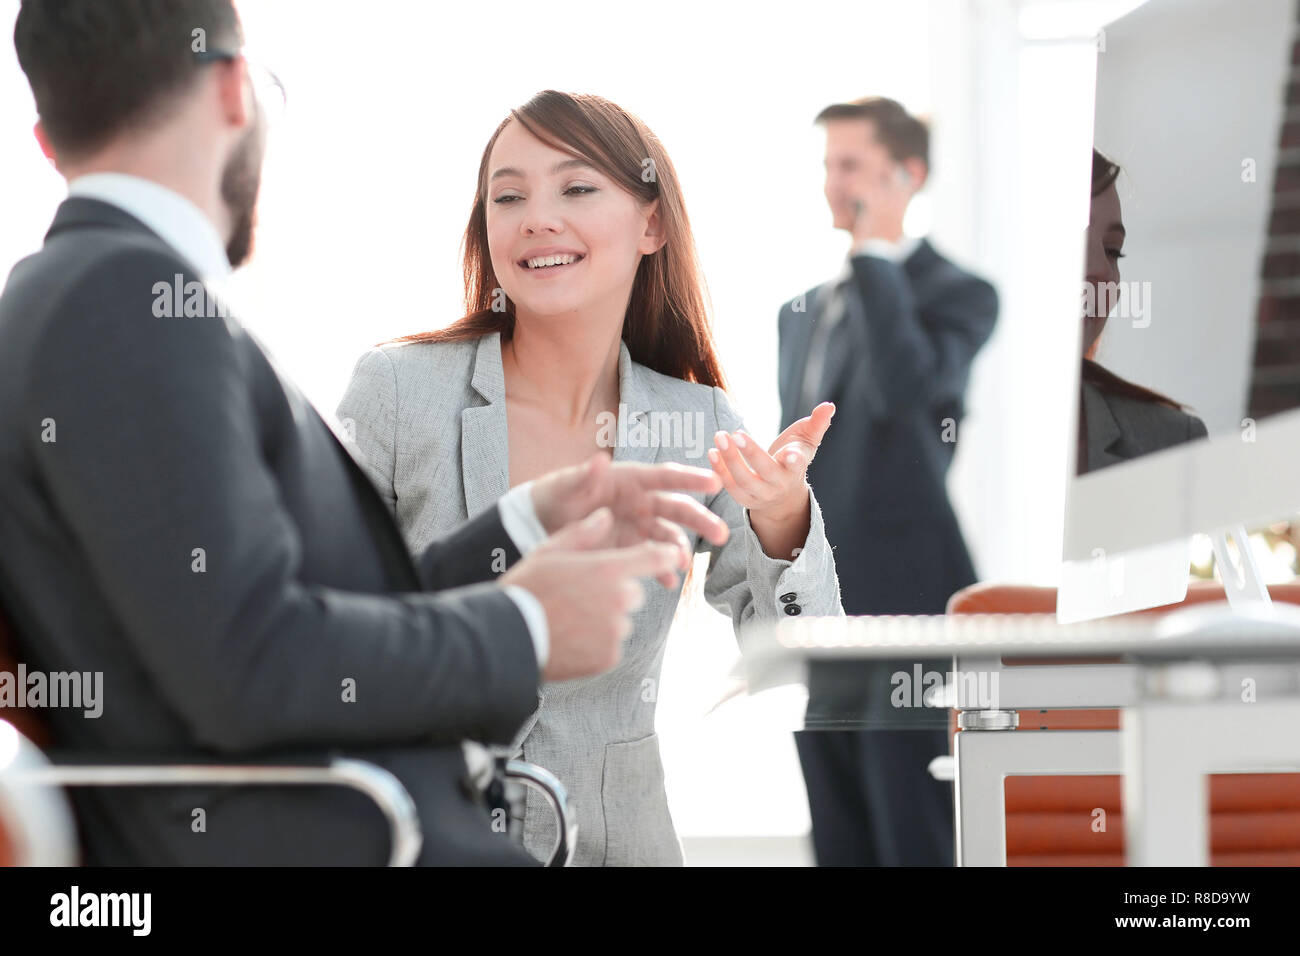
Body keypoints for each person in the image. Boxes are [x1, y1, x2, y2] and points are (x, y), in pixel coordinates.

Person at [0, 0, 730, 866]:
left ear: (48, 139)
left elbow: (271, 623)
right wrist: (526, 628)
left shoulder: (88, 295)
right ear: (235, 90)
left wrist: (521, 527)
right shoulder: (128, 305)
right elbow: (250, 663)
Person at [338, 89, 844, 866]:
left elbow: (804, 658)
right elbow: (328, 624)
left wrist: (783, 519)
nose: (537, 217)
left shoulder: (700, 422)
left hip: (619, 847)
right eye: (508, 196)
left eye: (576, 188)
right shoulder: (399, 390)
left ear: (652, 225)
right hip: (420, 839)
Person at [778, 96, 998, 866]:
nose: (833, 184)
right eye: (828, 166)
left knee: (912, 826)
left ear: (907, 175)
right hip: (827, 612)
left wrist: (875, 255)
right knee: (840, 834)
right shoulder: (801, 312)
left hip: (914, 606)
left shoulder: (960, 293)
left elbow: (908, 393)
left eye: (851, 166)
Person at [1078, 148, 1207, 474]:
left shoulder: (1170, 446)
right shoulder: (935, 419)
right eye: (1073, 236)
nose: (1102, 272)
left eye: (1113, 251)